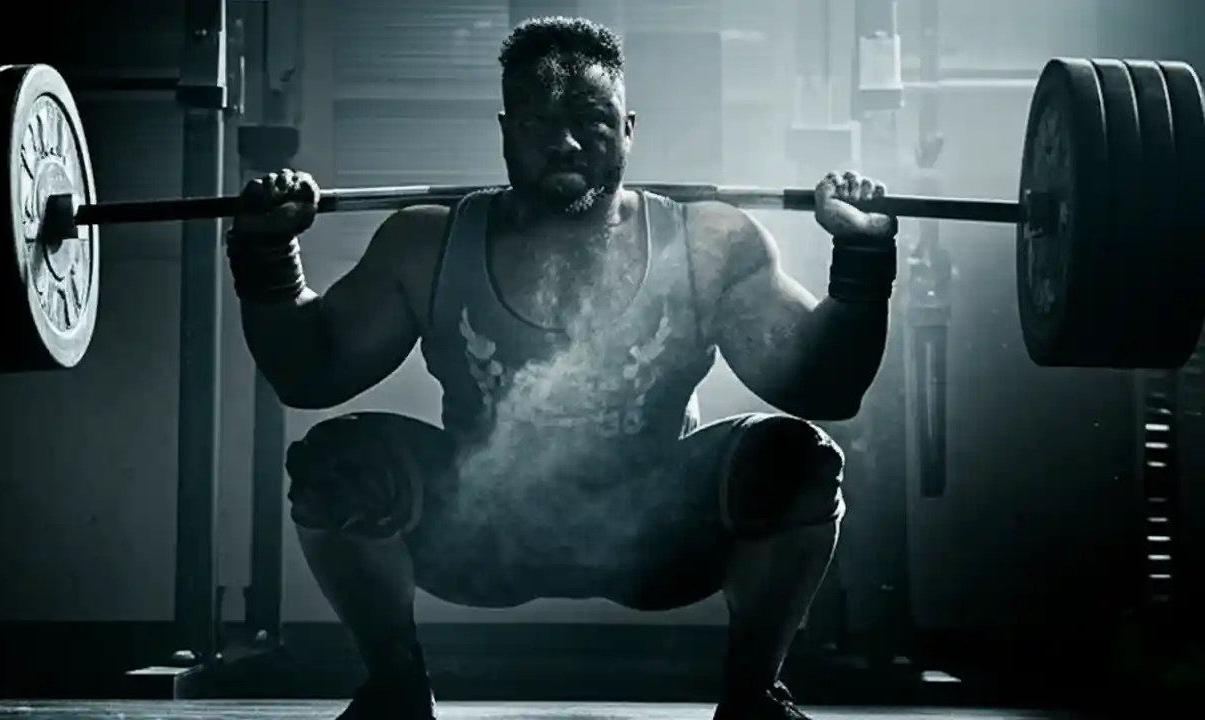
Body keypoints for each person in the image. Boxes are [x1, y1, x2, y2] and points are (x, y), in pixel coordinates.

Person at [226, 16, 897, 720]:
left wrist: (860, 262)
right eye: (539, 122)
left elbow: (826, 388)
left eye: (590, 119)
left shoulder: (709, 244)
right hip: (480, 530)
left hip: (655, 533)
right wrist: (269, 257)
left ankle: (753, 697)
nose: (565, 141)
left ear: (629, 127)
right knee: (336, 467)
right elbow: (309, 376)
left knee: (794, 461)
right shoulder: (425, 243)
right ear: (506, 130)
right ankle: (395, 691)